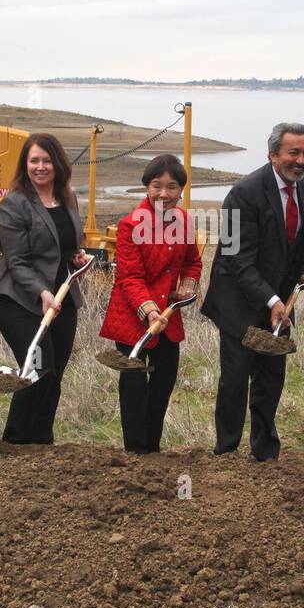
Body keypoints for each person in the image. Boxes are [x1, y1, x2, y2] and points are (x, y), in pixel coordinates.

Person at [201, 122, 304, 461]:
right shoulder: (242, 194)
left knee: (271, 379)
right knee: (236, 380)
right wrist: (272, 299)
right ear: (272, 154)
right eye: (292, 153)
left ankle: (265, 452)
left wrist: (298, 272)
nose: (300, 160)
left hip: (279, 304)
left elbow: (290, 243)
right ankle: (226, 450)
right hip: (239, 302)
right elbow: (237, 258)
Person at [98, 154, 202, 453]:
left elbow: (193, 262)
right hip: (133, 320)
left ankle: (151, 451)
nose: (164, 194)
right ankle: (135, 453)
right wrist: (149, 309)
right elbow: (129, 278)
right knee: (134, 389)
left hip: (168, 320)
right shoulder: (130, 225)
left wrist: (188, 283)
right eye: (157, 186)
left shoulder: (184, 221)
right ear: (147, 187)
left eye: (172, 187)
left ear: (181, 190)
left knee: (161, 387)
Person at [0, 133, 92, 444]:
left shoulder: (67, 198)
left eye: (47, 160)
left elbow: (67, 245)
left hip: (63, 299)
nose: (40, 166)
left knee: (54, 376)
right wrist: (42, 292)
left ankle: (41, 443)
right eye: (34, 160)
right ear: (25, 164)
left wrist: (78, 256)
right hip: (21, 301)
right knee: (38, 370)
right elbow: (17, 260)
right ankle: (14, 443)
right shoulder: (14, 205)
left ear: (58, 163)